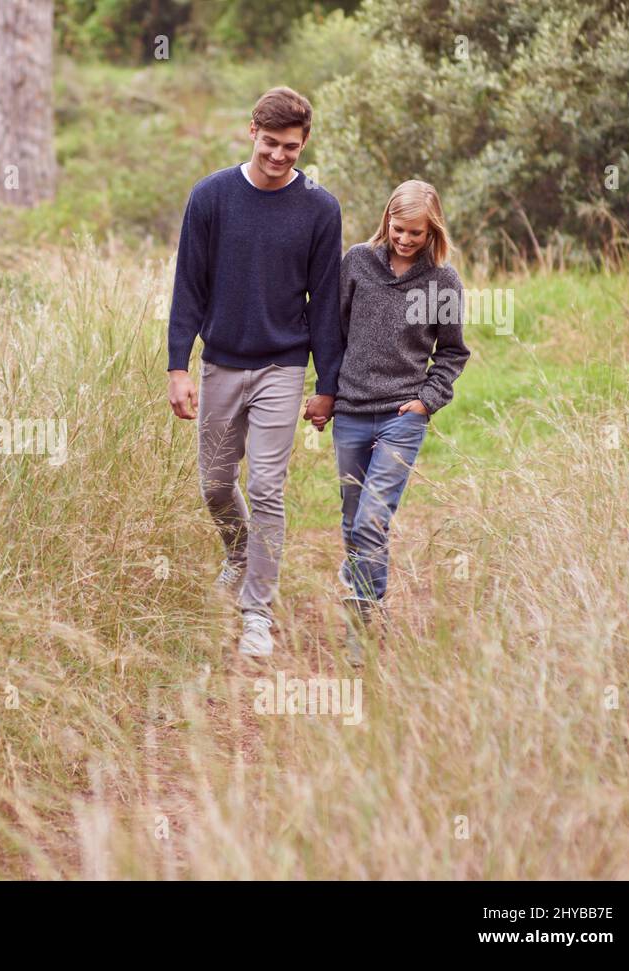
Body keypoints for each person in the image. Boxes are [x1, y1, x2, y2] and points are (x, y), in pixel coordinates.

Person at [167, 86, 343, 659]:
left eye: (291, 147)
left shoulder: (320, 209)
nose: (278, 156)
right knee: (216, 486)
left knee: (267, 487)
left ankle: (256, 614)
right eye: (270, 143)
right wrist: (178, 365)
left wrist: (327, 385)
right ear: (251, 132)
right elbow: (189, 286)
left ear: (305, 142)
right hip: (220, 361)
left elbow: (325, 301)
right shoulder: (211, 197)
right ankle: (238, 553)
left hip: (281, 364)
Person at [305, 179, 470, 665]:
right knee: (353, 520)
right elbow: (331, 332)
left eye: (417, 233)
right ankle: (363, 597)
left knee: (373, 520)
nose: (405, 240)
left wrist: (427, 399)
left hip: (402, 416)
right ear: (386, 222)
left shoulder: (443, 282)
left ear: (432, 231)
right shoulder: (357, 262)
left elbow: (453, 351)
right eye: (399, 229)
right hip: (352, 412)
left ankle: (362, 621)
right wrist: (325, 392)